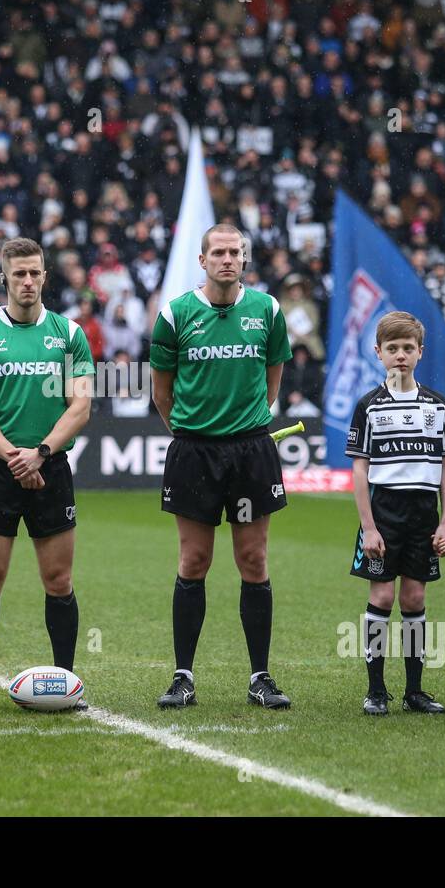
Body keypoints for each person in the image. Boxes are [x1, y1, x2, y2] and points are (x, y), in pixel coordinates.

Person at [149, 223, 293, 710]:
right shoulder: (175, 315)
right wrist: (193, 433)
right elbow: (161, 393)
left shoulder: (268, 310)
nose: (227, 259)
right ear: (202, 259)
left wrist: (243, 427)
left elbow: (272, 382)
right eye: (218, 252)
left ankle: (260, 677)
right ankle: (182, 677)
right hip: (195, 451)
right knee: (194, 561)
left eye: (235, 252)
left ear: (244, 259)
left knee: (253, 561)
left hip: (251, 451)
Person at [0, 237, 94, 709]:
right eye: (19, 274)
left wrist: (41, 452)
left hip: (51, 467)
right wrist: (17, 457)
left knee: (58, 580)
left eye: (35, 273)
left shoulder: (69, 334)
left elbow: (80, 405)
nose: (28, 281)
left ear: (45, 277)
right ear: (4, 278)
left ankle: (68, 682)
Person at [346, 310, 445, 716]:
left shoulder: (438, 406)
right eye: (392, 349)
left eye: (408, 349)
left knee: (413, 597)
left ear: (420, 353)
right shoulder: (369, 406)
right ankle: (376, 690)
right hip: (384, 512)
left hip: (424, 514)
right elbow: (359, 468)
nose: (400, 356)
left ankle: (414, 691)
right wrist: (368, 527)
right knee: (383, 594)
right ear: (378, 353)